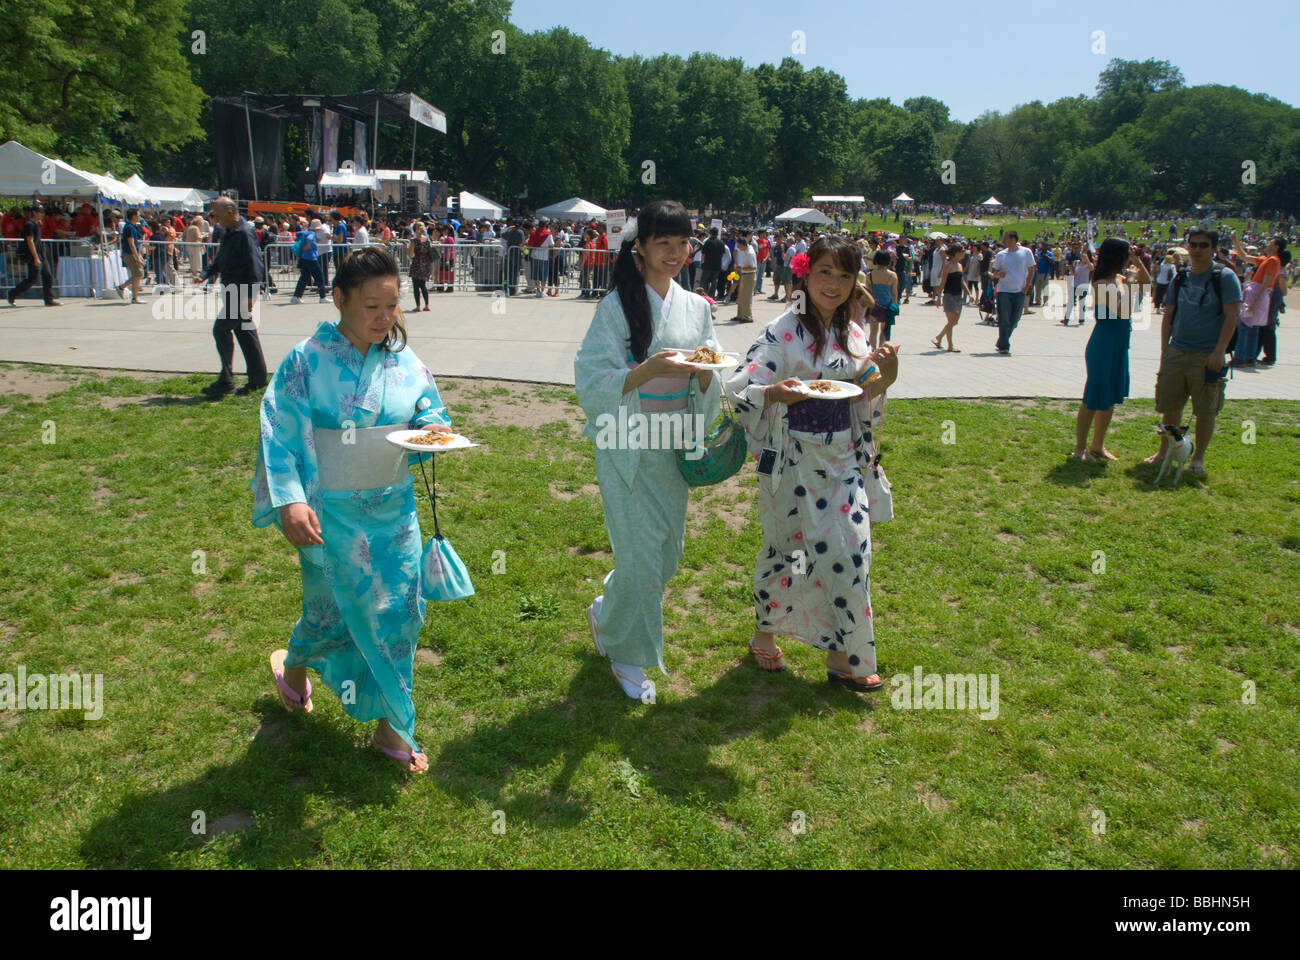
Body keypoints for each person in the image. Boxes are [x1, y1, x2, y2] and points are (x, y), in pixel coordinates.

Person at [251, 246, 451, 773]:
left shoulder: (404, 360)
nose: (385, 318)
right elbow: (279, 431)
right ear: (339, 298)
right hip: (329, 515)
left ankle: (393, 727)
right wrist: (290, 500)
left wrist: (435, 427)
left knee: (403, 614)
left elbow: (430, 406)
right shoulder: (305, 361)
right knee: (331, 613)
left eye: (392, 306)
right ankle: (292, 669)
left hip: (394, 512)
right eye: (371, 306)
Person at [725, 234, 900, 693]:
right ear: (805, 273)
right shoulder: (782, 330)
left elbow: (865, 391)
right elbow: (743, 387)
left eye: (845, 275)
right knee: (788, 550)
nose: (834, 284)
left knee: (850, 549)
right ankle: (765, 632)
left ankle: (845, 654)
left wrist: (889, 372)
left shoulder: (853, 333)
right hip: (789, 457)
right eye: (825, 272)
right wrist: (776, 393)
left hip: (841, 458)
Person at [574, 200, 721, 702]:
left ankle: (606, 609)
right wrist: (646, 369)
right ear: (640, 246)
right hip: (627, 443)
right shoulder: (616, 306)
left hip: (673, 445)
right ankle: (627, 656)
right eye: (664, 243)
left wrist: (704, 376)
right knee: (640, 559)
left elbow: (711, 369)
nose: (675, 253)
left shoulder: (697, 307)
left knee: (666, 557)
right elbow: (592, 377)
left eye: (683, 243)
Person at [1144, 227, 1242, 477]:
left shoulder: (1225, 277)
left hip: (1207, 353)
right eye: (1193, 245)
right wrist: (1165, 349)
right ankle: (1166, 450)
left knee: (1205, 409)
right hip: (1178, 350)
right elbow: (1168, 315)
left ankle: (1198, 458)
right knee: (1171, 405)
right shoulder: (1181, 276)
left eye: (1203, 245)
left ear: (1213, 249)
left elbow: (1232, 316)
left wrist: (1219, 351)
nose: (1197, 250)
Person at [1073, 238, 1149, 462]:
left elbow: (1148, 283)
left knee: (1110, 396)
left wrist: (1138, 263)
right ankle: (1079, 448)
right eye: (1127, 255)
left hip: (1119, 342)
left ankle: (1098, 445)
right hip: (1103, 343)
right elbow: (1123, 311)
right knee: (1094, 395)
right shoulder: (1103, 282)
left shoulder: (1120, 279)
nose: (1129, 259)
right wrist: (1133, 284)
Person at [198, 197, 268, 397]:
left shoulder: (245, 233)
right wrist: (204, 275)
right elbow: (221, 259)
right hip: (231, 290)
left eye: (218, 215)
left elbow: (256, 263)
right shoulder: (229, 232)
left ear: (230, 212)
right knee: (246, 332)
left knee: (221, 329)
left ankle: (226, 379)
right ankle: (258, 378)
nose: (215, 220)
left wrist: (252, 294)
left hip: (241, 292)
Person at [1230, 235, 1286, 367]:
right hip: (1259, 294)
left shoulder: (1272, 260)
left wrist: (1254, 301)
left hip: (1257, 293)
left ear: (1276, 247)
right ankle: (1249, 357)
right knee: (1253, 327)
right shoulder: (1268, 260)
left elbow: (1266, 281)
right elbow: (1245, 257)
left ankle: (1240, 357)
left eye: (1271, 242)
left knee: (1244, 326)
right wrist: (1235, 241)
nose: (1267, 244)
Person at [989, 229, 1036, 354]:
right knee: (1004, 319)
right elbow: (993, 273)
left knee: (1015, 319)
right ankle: (1004, 346)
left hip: (1020, 290)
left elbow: (1031, 270)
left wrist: (1027, 286)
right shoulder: (1001, 255)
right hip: (1003, 290)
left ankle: (1001, 340)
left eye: (1006, 238)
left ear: (1013, 239)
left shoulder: (1026, 252)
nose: (1003, 241)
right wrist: (998, 274)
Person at [6, 204, 61, 307]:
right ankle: (12, 293)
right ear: (34, 213)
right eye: (40, 212)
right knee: (33, 279)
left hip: (41, 254)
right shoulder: (29, 225)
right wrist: (35, 257)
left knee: (48, 276)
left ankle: (49, 299)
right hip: (33, 254)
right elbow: (30, 241)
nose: (42, 214)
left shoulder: (36, 225)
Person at [931, 243, 966, 352]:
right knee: (952, 321)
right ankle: (948, 344)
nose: (964, 253)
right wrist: (938, 297)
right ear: (956, 253)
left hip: (958, 296)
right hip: (949, 295)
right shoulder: (948, 265)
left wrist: (969, 293)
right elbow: (943, 282)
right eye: (962, 251)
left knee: (954, 322)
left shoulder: (960, 265)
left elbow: (962, 280)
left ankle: (939, 338)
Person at [289, 217, 328, 304]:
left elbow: (299, 235)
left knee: (304, 278)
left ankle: (296, 296)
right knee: (319, 277)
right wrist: (308, 245)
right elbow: (309, 239)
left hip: (303, 258)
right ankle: (323, 297)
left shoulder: (306, 232)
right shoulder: (312, 234)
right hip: (311, 258)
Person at [114, 208, 146, 303]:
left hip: (131, 253)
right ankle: (123, 288)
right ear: (133, 216)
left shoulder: (132, 227)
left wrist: (138, 256)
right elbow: (131, 244)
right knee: (138, 274)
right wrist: (137, 257)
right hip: (129, 254)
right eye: (138, 215)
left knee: (138, 274)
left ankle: (134, 296)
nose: (139, 217)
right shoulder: (129, 227)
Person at [867, 250, 897, 348]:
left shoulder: (869, 275)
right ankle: (880, 348)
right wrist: (895, 305)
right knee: (884, 330)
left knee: (873, 332)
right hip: (887, 306)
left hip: (873, 306)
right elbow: (894, 293)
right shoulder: (892, 275)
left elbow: (868, 291)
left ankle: (872, 351)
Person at [407, 220, 433, 311]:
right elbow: (429, 251)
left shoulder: (414, 241)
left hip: (416, 263)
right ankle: (427, 305)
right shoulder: (427, 239)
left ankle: (418, 306)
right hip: (426, 263)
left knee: (416, 286)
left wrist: (407, 247)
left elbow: (410, 254)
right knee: (423, 285)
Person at [1063, 248, 1092, 326]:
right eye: (1083, 255)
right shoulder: (1076, 263)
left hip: (1084, 285)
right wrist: (1072, 272)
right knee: (1071, 302)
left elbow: (1092, 268)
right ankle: (1066, 319)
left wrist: (1087, 260)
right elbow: (1070, 268)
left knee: (1082, 302)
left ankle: (1081, 319)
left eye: (1085, 255)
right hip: (1075, 284)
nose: (1083, 257)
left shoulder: (1089, 264)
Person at [733, 230, 757, 322]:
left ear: (743, 245)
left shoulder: (750, 253)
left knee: (746, 297)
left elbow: (753, 267)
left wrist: (741, 268)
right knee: (741, 296)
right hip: (744, 274)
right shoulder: (745, 249)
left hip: (749, 275)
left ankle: (748, 316)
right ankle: (740, 315)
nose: (738, 247)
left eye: (739, 245)